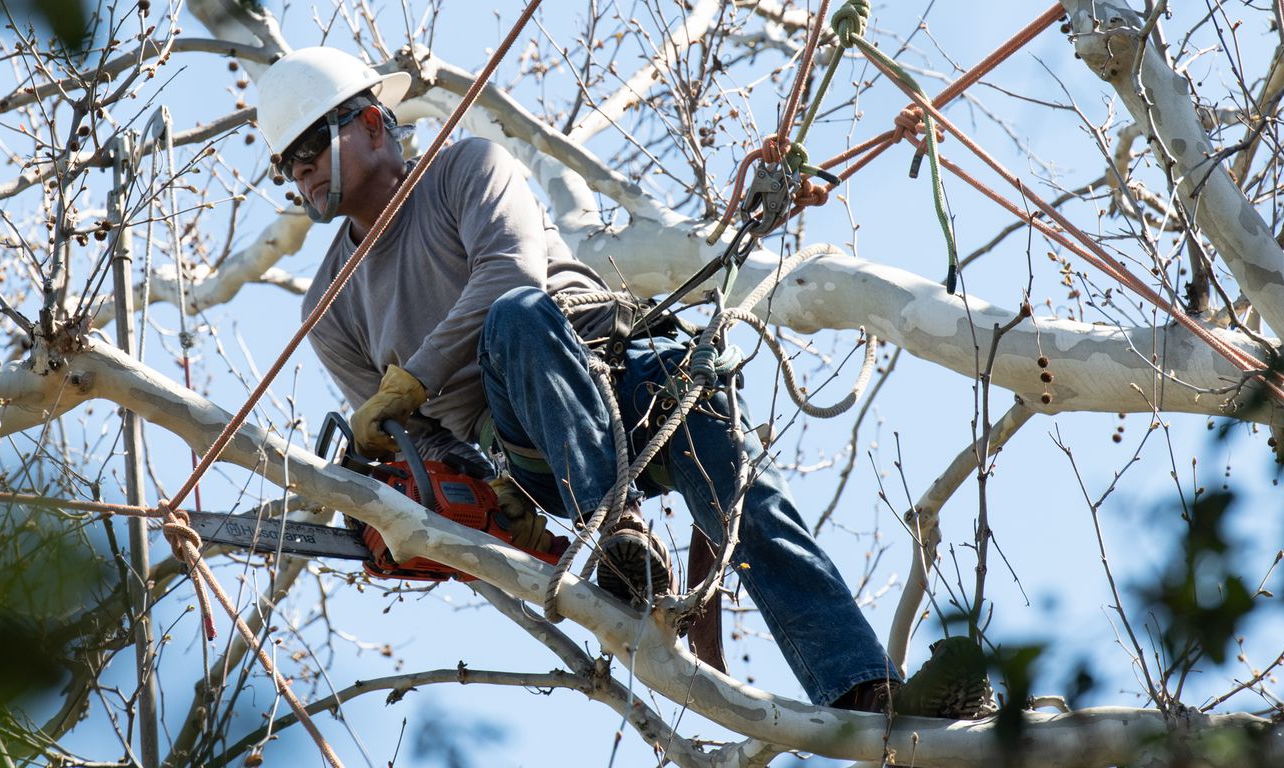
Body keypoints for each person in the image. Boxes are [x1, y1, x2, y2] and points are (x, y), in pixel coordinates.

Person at [253, 46, 990, 717]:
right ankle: (619, 535)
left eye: (311, 147)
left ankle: (867, 692)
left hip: (624, 363)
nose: (301, 173)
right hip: (528, 438)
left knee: (743, 499)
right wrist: (468, 499)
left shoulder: (466, 168)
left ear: (374, 124)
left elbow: (511, 270)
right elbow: (418, 441)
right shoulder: (329, 305)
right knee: (514, 326)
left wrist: (414, 377)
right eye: (287, 164)